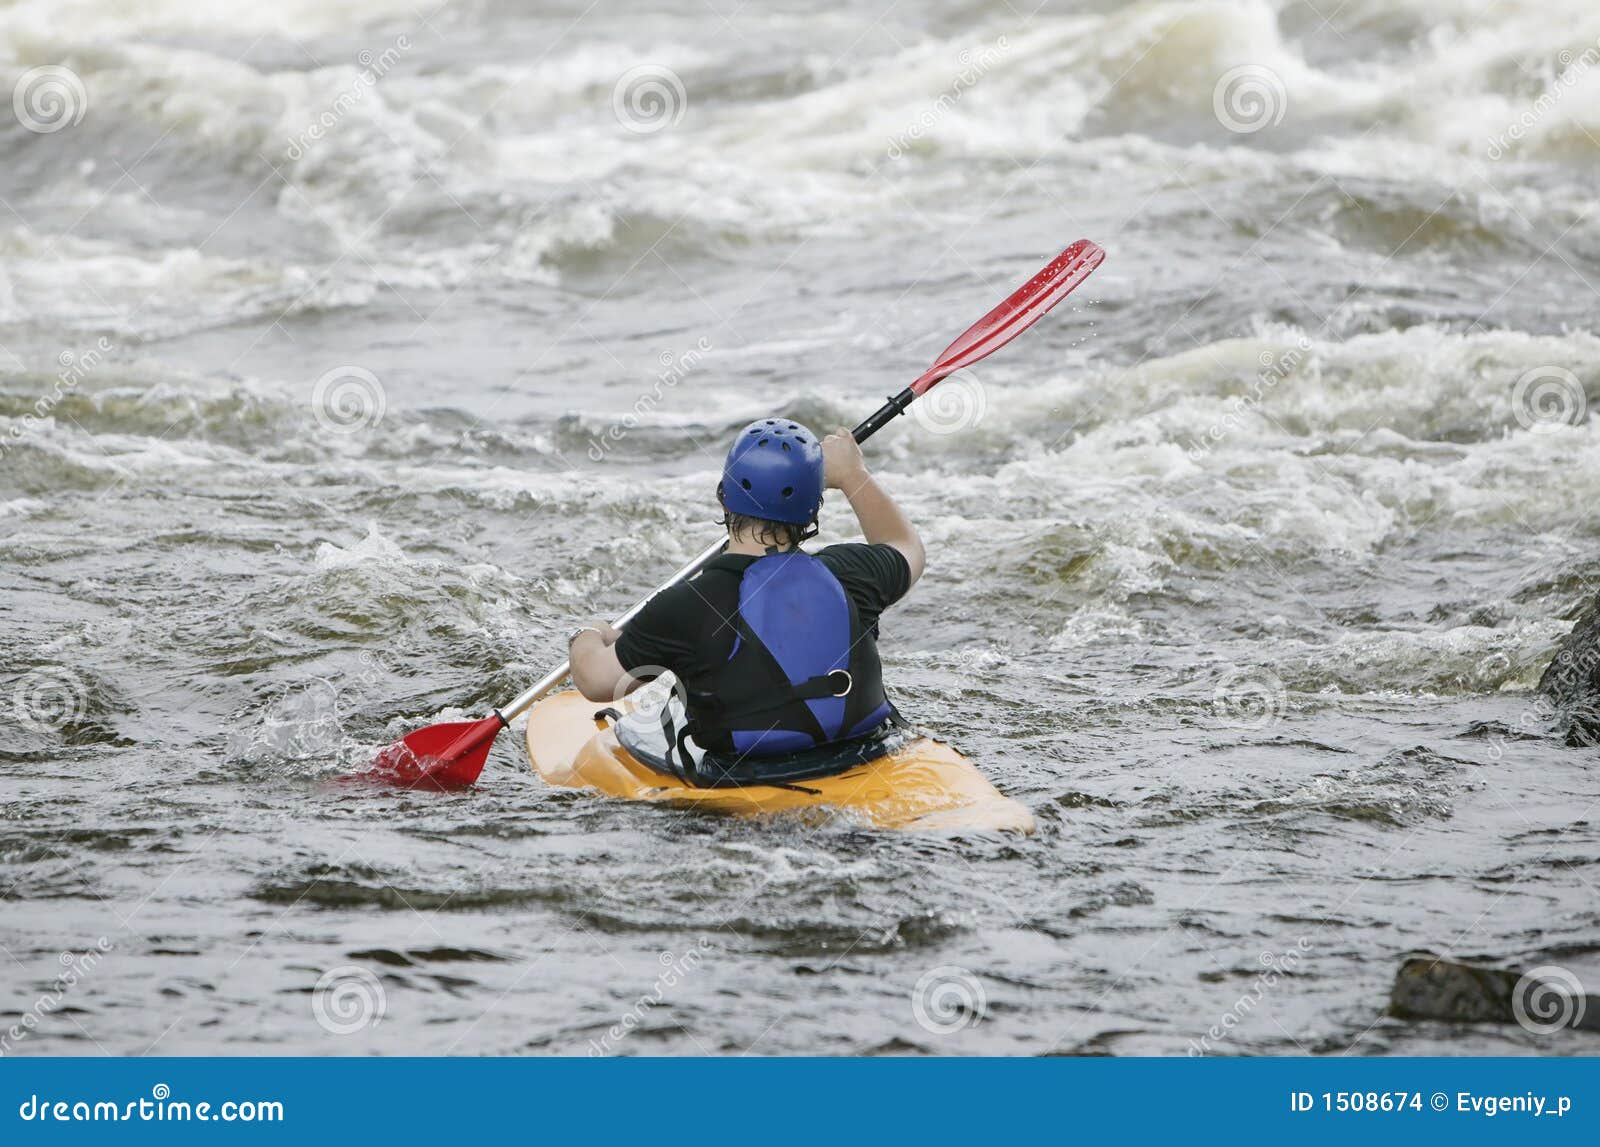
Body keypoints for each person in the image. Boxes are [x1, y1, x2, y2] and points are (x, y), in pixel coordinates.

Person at [567, 418, 924, 780]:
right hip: (865, 752)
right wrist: (853, 475)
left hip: (747, 792)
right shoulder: (850, 572)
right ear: (814, 506)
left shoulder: (686, 606)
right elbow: (905, 546)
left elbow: (597, 682)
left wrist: (588, 633)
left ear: (724, 495)